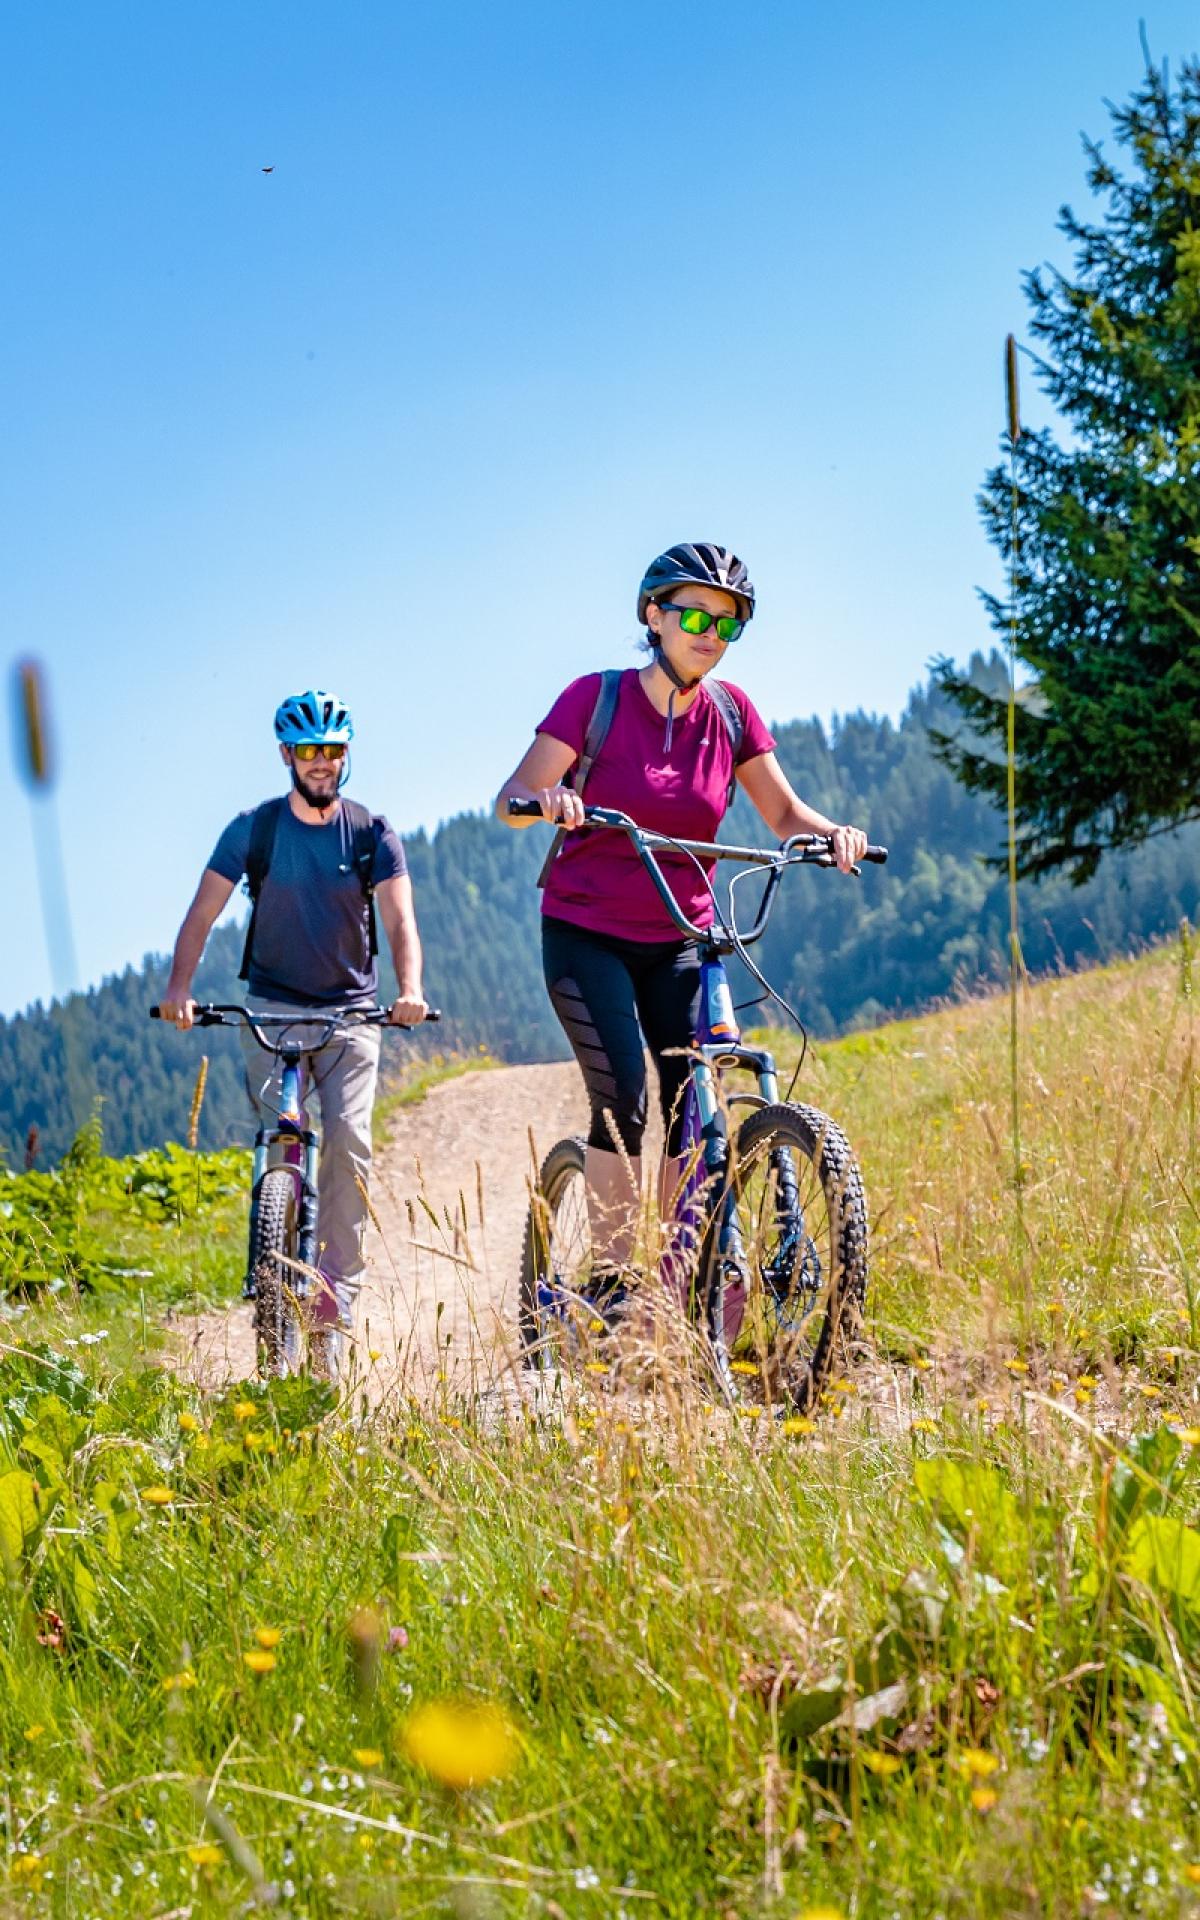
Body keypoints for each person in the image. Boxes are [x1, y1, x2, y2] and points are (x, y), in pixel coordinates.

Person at [496, 541, 868, 1312]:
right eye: (694, 614)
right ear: (653, 616)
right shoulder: (593, 700)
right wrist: (553, 800)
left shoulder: (731, 714)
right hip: (586, 930)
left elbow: (783, 812)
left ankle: (678, 1274)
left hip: (682, 936)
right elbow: (512, 796)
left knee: (688, 1096)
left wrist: (833, 833)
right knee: (625, 1096)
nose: (709, 632)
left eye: (727, 623)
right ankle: (607, 1282)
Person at [159, 688, 428, 1374]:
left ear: (344, 756)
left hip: (351, 1015)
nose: (322, 763)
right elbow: (203, 909)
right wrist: (179, 988)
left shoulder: (372, 832)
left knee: (351, 1144)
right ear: (287, 755)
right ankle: (273, 1274)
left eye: (332, 751)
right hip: (271, 1010)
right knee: (281, 1135)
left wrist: (411, 992)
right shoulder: (256, 829)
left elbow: (399, 921)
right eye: (309, 751)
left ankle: (333, 1305)